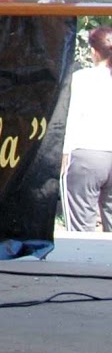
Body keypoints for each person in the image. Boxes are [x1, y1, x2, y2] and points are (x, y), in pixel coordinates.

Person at [61, 26, 112, 232]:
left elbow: (70, 117)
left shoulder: (81, 79)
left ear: (93, 51)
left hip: (85, 155)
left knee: (81, 229)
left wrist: (64, 153)